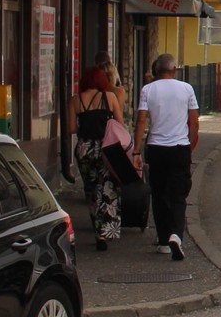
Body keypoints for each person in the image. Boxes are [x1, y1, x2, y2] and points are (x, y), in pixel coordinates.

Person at [133, 54, 199, 261]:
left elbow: (141, 120)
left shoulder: (148, 89)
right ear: (174, 69)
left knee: (159, 193)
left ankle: (163, 241)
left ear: (156, 70)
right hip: (180, 147)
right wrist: (191, 144)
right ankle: (176, 235)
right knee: (178, 194)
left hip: (156, 148)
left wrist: (136, 150)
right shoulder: (187, 88)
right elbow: (194, 121)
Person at [70, 65, 124, 251]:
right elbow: (119, 124)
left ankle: (97, 229)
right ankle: (105, 231)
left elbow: (71, 128)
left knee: (91, 190)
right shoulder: (109, 97)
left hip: (84, 149)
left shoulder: (76, 100)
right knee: (108, 187)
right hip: (106, 148)